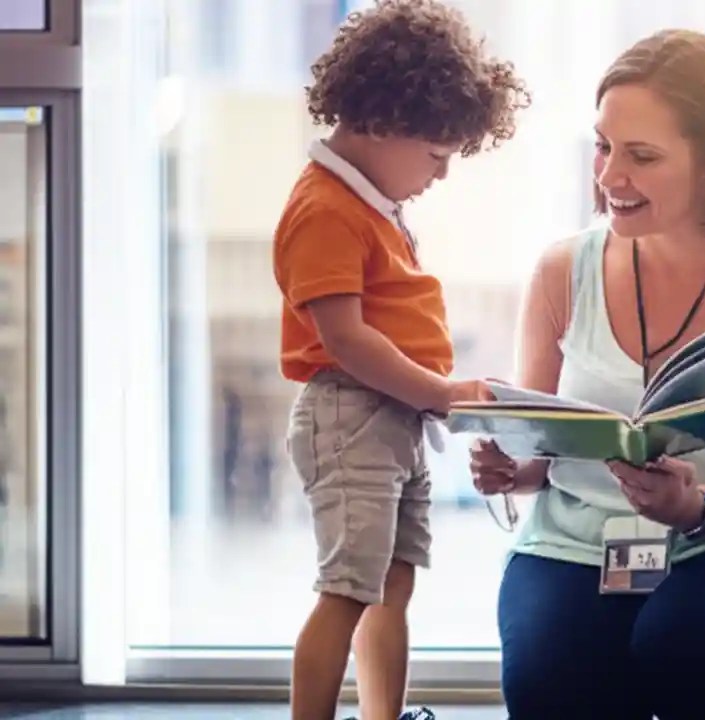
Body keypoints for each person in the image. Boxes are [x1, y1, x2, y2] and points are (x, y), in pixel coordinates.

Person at [469, 29, 705, 720]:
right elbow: (544, 449)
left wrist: (697, 508)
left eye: (641, 156)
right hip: (578, 544)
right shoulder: (561, 271)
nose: (609, 175)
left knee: (697, 644)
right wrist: (510, 468)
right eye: (604, 146)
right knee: (551, 681)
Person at [272, 2, 528, 719]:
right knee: (348, 589)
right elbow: (347, 341)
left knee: (393, 581)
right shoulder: (325, 208)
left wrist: (436, 398)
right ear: (384, 122)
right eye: (437, 155)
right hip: (351, 413)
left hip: (391, 417)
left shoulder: (369, 204)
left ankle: (383, 714)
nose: (441, 175)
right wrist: (443, 392)